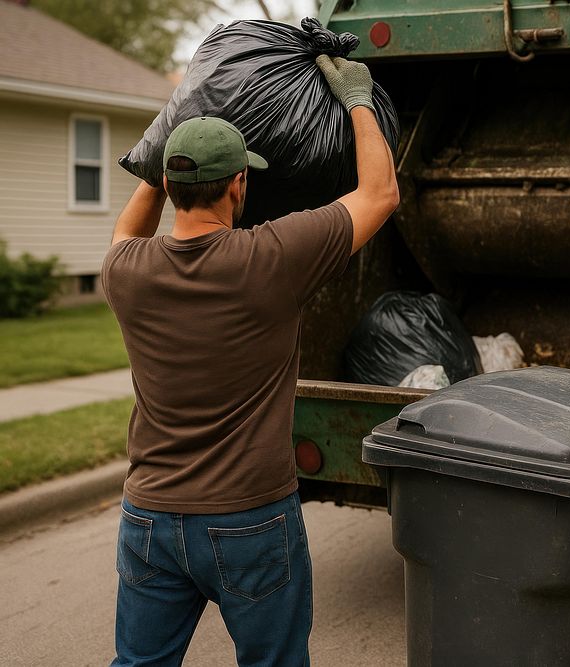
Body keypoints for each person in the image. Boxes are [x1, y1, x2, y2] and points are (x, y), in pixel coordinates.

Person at [103, 55, 398, 666]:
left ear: (169, 185)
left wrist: (165, 149)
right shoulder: (271, 259)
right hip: (250, 519)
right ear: (240, 183)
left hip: (149, 517)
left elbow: (126, 231)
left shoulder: (125, 273)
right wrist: (359, 100)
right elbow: (380, 194)